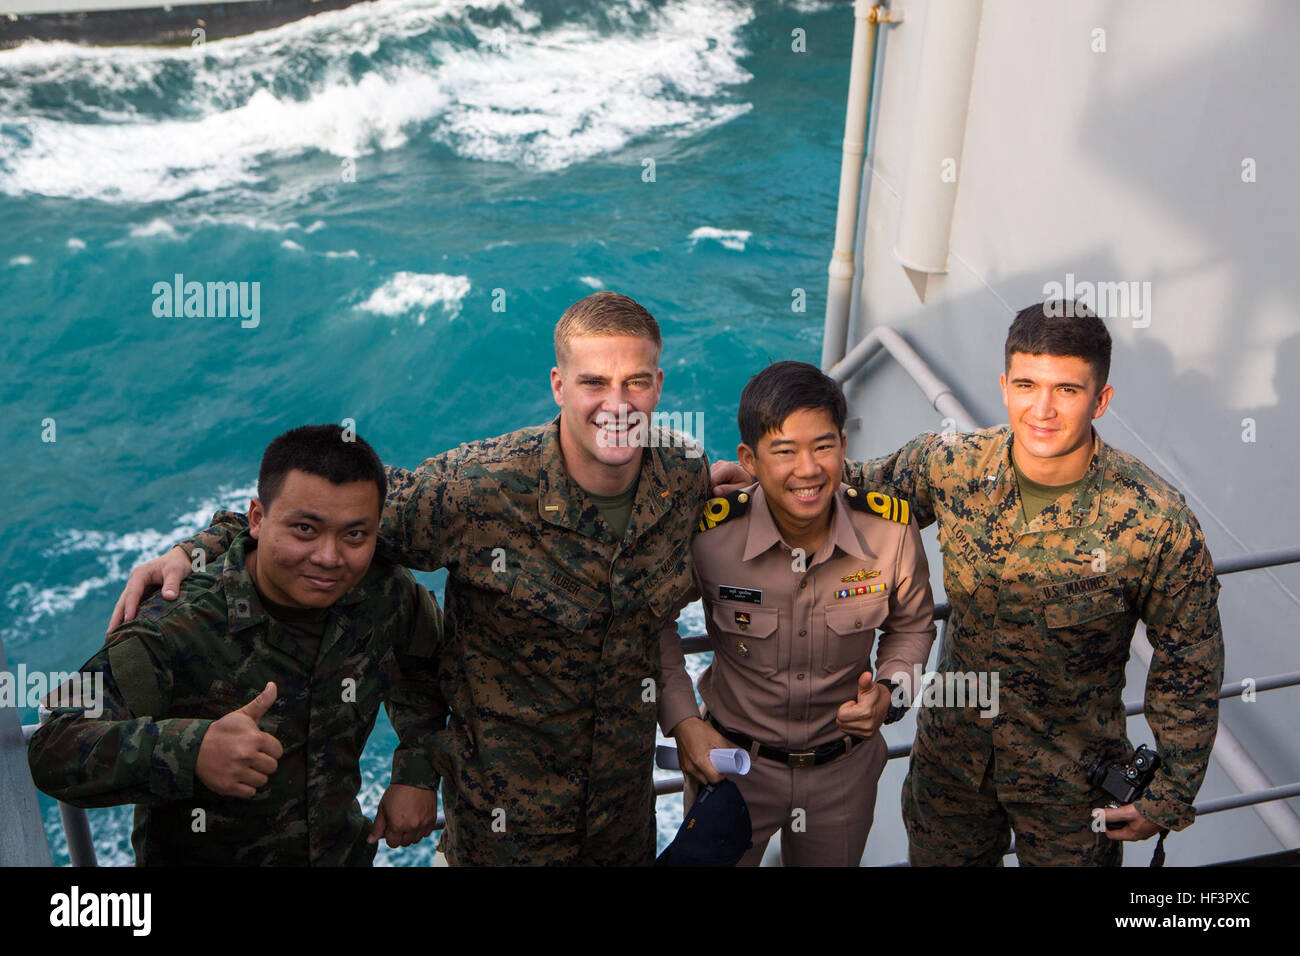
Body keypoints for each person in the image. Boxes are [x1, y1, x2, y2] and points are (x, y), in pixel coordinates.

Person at [107, 292, 710, 866]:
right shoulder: (478, 489)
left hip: (622, 825)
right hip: (504, 833)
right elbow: (325, 511)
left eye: (635, 381)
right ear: (559, 386)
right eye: (594, 382)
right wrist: (199, 548)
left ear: (658, 386)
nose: (617, 402)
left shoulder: (684, 478)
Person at [712, 302, 1225, 866]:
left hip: (1072, 785)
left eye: (1068, 390)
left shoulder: (1155, 521)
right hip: (953, 772)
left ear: (1101, 399)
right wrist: (752, 482)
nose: (1043, 409)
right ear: (1005, 386)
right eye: (1027, 384)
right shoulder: (951, 467)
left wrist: (1171, 791)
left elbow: (1190, 659)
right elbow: (840, 486)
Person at [27, 425, 445, 865]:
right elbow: (57, 743)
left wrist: (416, 773)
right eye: (305, 528)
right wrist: (193, 750)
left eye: (354, 536)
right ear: (258, 519)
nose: (328, 556)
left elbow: (429, 669)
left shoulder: (385, 594)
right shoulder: (179, 625)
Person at [659, 361, 936, 866]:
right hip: (732, 771)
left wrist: (891, 694)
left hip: (844, 776)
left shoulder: (889, 533)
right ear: (750, 458)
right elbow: (655, 625)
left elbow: (912, 625)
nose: (808, 469)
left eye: (823, 446)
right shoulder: (710, 536)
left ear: (842, 447)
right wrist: (683, 723)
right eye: (784, 451)